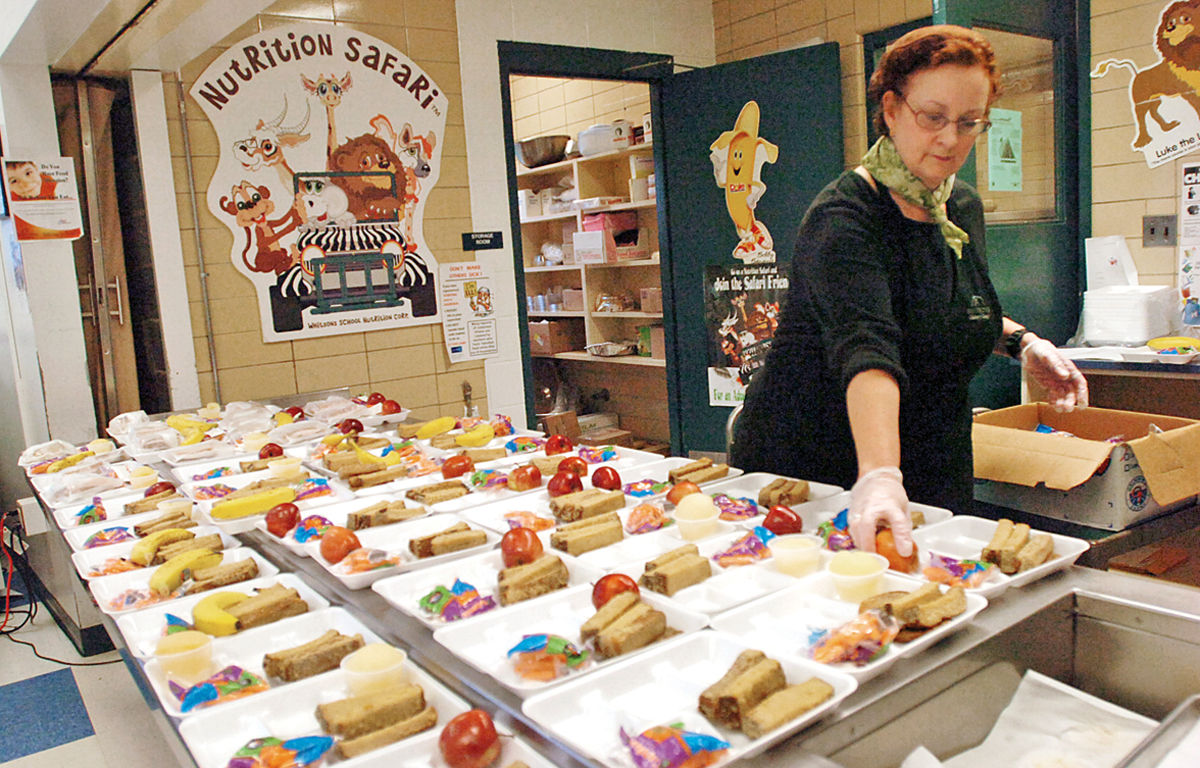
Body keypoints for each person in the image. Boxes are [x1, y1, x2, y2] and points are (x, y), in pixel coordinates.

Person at [730, 25, 1087, 558]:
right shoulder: (845, 217)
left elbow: (953, 307)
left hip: (930, 454)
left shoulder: (956, 206)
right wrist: (878, 474)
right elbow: (868, 349)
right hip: (817, 466)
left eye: (970, 122)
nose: (951, 139)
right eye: (933, 117)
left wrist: (1023, 344)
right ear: (892, 109)